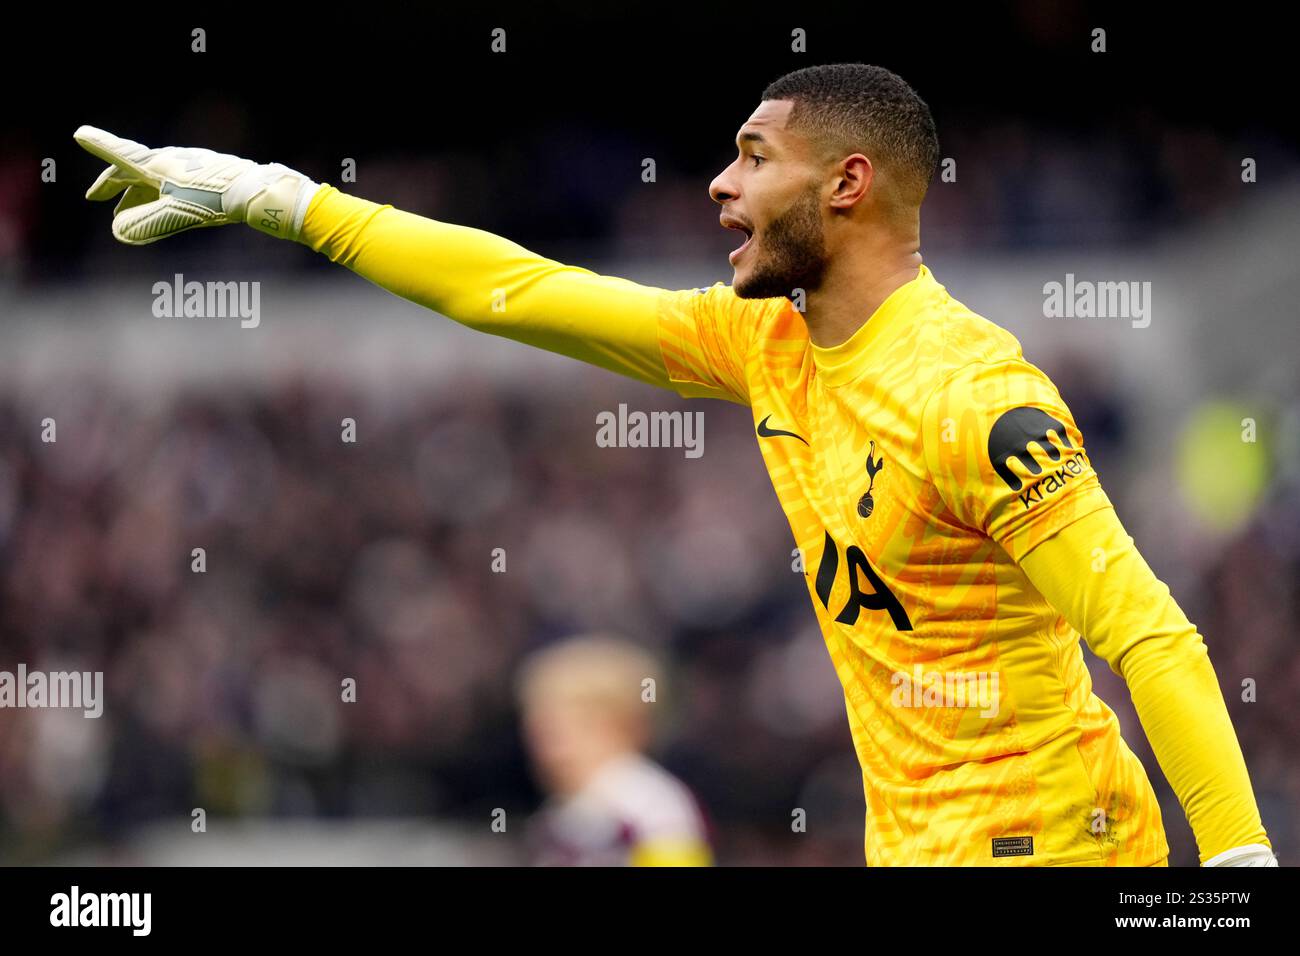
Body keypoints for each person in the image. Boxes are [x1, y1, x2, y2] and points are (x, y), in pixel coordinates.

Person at [75, 62, 1276, 866]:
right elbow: (528, 293)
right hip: (912, 841)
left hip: (1047, 841)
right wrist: (282, 200)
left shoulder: (980, 399)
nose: (720, 183)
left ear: (845, 184)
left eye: (753, 158)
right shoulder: (766, 345)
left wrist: (1232, 863)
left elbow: (1148, 634)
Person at [515, 635, 712, 866]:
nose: (544, 745)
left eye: (558, 728)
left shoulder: (650, 805)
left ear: (618, 725)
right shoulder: (562, 811)